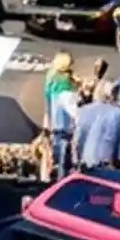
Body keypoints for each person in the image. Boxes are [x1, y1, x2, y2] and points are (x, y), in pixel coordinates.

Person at [73, 80, 120, 171]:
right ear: (114, 95)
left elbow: (77, 140)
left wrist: (77, 161)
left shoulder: (83, 111)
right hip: (108, 169)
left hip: (85, 166)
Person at [43, 52, 80, 180]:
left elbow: (47, 96)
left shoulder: (50, 75)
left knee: (56, 150)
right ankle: (63, 179)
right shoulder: (66, 80)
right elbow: (71, 101)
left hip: (55, 118)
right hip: (65, 120)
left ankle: (55, 175)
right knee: (65, 152)